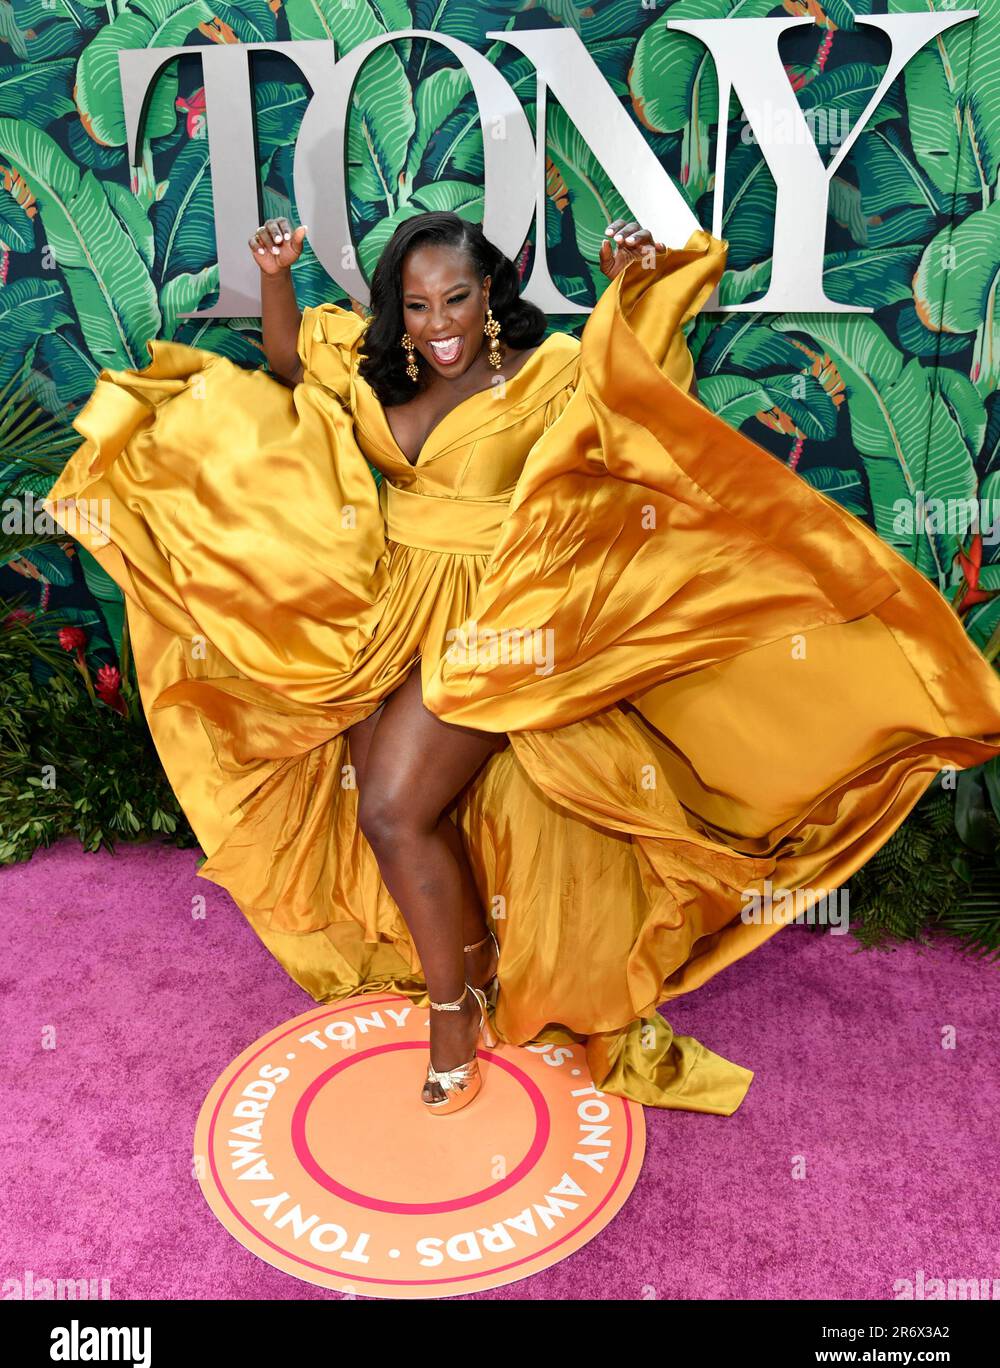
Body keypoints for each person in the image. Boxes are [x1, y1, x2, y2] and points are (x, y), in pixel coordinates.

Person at [43, 212, 1000, 1120]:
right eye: (418, 306)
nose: (439, 325)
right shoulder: (387, 364)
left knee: (393, 808)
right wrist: (276, 275)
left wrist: (636, 288)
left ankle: (455, 1020)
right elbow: (290, 366)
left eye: (457, 300)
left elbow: (637, 403)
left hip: (493, 618)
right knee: (383, 804)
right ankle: (471, 964)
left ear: (491, 292)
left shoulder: (548, 371)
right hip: (392, 604)